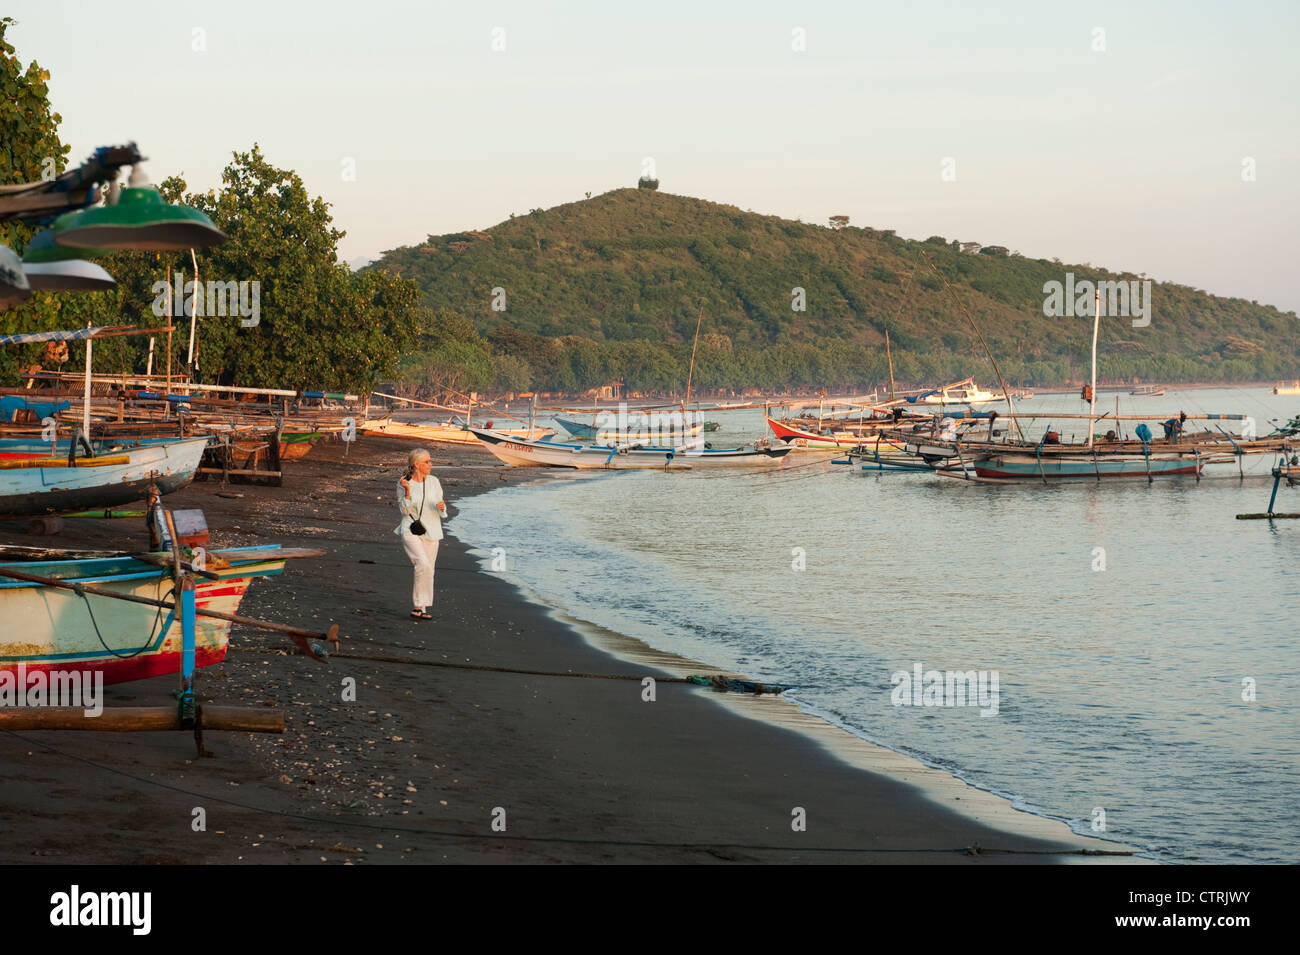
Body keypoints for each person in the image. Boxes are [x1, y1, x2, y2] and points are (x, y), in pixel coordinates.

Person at [395, 448, 446, 620]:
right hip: (410, 528)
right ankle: (418, 604)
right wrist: (408, 491)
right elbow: (404, 510)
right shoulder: (403, 482)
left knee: (428, 569)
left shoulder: (434, 481)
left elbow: (441, 505)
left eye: (430, 461)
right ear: (416, 464)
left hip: (432, 530)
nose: (431, 464)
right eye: (427, 462)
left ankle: (421, 607)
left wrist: (442, 507)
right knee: (422, 564)